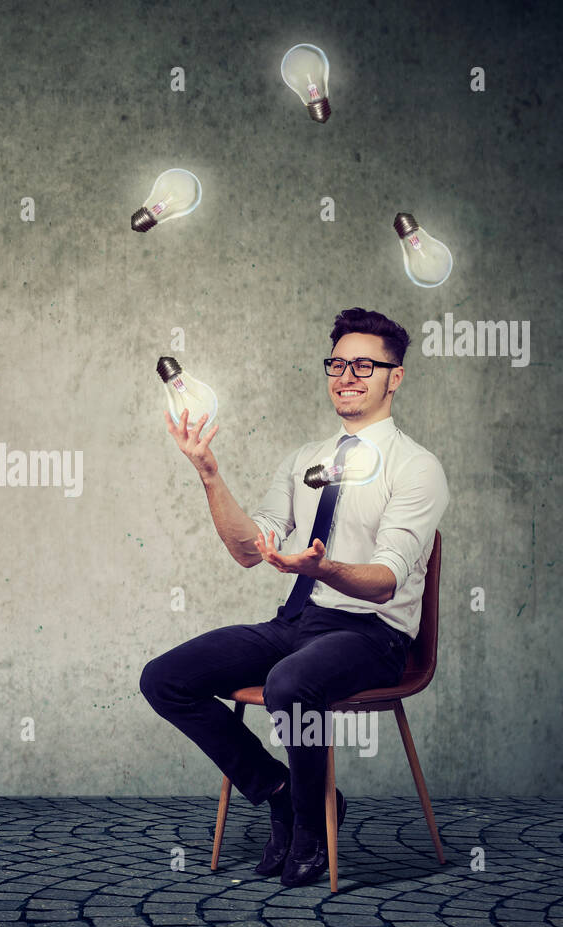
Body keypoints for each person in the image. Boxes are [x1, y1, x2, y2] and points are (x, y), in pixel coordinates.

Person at [140, 307, 449, 887]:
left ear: (395, 377)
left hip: (372, 634)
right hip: (297, 622)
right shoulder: (304, 458)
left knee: (290, 683)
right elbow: (248, 549)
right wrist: (208, 472)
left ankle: (311, 828)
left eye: (365, 365)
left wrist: (323, 567)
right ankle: (285, 794)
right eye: (338, 363)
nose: (347, 376)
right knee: (165, 678)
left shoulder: (416, 468)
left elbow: (385, 580)